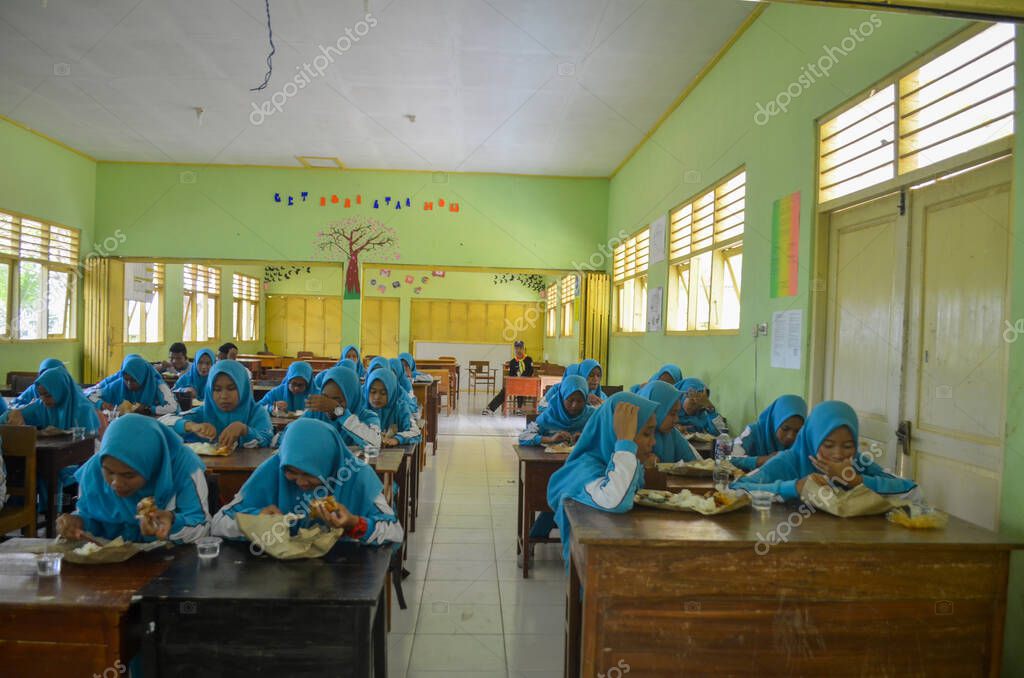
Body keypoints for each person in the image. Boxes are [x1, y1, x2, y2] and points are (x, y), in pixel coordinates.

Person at [210, 418, 403, 546]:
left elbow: (394, 532)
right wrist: (257, 518)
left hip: (345, 575)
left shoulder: (357, 476)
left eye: (311, 474)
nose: (301, 483)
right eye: (292, 473)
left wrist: (353, 524)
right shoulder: (272, 470)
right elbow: (218, 523)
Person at [57, 414, 210, 543]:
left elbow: (202, 527)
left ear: (150, 464)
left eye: (129, 475)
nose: (116, 483)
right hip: (111, 567)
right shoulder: (94, 471)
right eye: (109, 472)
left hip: (171, 565)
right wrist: (78, 522)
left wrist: (172, 521)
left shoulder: (184, 468)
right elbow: (92, 518)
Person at [546, 392, 659, 563]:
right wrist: (625, 443)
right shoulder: (585, 469)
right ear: (615, 434)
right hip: (595, 568)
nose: (654, 442)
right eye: (646, 434)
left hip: (620, 556)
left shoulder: (608, 462)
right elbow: (616, 501)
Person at [731, 401, 917, 500]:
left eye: (848, 446)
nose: (838, 454)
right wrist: (794, 488)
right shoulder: (788, 461)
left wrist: (856, 480)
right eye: (828, 445)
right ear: (812, 439)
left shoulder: (858, 463)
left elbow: (911, 489)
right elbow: (736, 487)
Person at [162, 361, 272, 449]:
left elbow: (267, 439)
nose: (224, 396)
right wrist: (191, 426)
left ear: (243, 388)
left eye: (231, 388)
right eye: (217, 390)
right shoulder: (203, 413)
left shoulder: (257, 413)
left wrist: (244, 430)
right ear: (209, 391)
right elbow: (162, 424)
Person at [299, 366, 381, 448]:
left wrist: (339, 411)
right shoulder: (316, 412)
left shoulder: (368, 417)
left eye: (336, 400)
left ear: (352, 398)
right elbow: (291, 433)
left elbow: (375, 443)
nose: (328, 405)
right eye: (325, 398)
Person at [3, 366, 102, 434]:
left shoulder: (84, 410)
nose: (43, 399)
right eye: (40, 395)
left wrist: (59, 434)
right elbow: (5, 418)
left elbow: (88, 444)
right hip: (50, 458)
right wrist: (13, 414)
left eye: (48, 395)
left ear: (61, 391)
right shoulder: (42, 405)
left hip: (79, 461)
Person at [729, 395, 808, 471]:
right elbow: (730, 458)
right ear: (775, 421)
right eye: (785, 428)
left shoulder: (803, 440)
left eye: (798, 431)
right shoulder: (754, 431)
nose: (790, 436)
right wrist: (767, 459)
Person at [518, 375, 595, 447]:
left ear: (585, 400)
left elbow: (605, 437)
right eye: (570, 400)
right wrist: (550, 439)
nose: (574, 405)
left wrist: (586, 438)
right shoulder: (549, 416)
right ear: (561, 399)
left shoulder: (593, 416)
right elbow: (523, 437)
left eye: (579, 401)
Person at [88, 355, 178, 416]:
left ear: (142, 377)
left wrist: (149, 408)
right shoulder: (120, 384)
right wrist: (103, 404)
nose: (129, 384)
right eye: (126, 379)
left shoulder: (158, 386)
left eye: (133, 380)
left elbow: (173, 407)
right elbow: (89, 394)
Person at [638, 381, 700, 464]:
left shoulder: (672, 433)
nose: (677, 419)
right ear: (656, 410)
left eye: (677, 413)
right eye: (672, 414)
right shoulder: (636, 435)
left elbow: (693, 462)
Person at [363, 369, 421, 447]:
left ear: (392, 392)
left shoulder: (401, 409)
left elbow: (415, 432)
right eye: (373, 392)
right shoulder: (362, 409)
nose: (376, 397)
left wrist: (397, 439)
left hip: (393, 455)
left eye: (383, 393)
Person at [483, 340, 534, 415]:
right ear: (514, 350)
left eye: (520, 348)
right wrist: (516, 379)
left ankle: (519, 409)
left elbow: (530, 372)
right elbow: (511, 375)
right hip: (515, 383)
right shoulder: (512, 362)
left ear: (524, 349)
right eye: (517, 348)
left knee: (521, 386)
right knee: (504, 390)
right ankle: (490, 408)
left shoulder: (529, 359)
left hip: (526, 383)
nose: (518, 350)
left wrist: (521, 378)